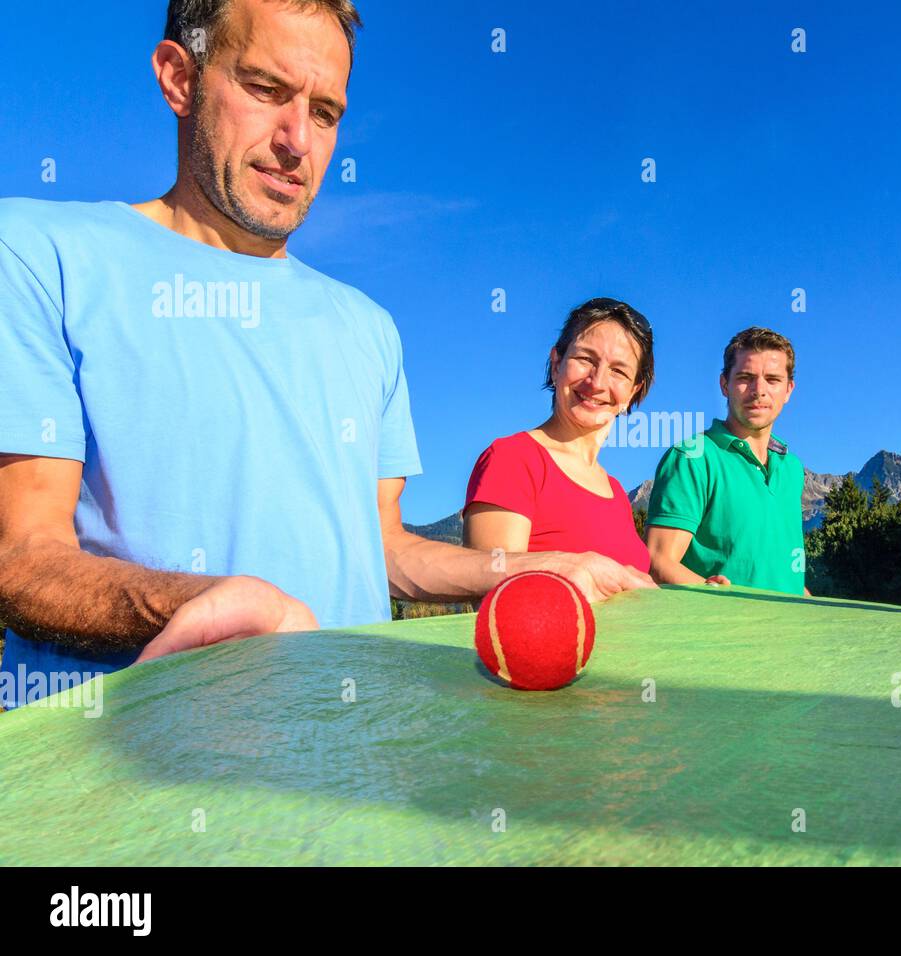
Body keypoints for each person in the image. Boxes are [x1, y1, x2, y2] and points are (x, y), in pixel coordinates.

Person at [0, 0, 648, 709]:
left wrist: (541, 566)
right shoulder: (36, 254)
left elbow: (387, 548)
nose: (297, 140)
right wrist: (211, 601)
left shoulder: (369, 328)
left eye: (326, 112)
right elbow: (22, 556)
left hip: (348, 771)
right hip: (116, 775)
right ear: (178, 77)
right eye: (264, 89)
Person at [463, 299, 654, 574]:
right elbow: (495, 590)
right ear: (556, 365)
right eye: (585, 359)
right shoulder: (513, 459)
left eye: (618, 371)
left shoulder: (616, 493)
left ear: (634, 392)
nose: (597, 382)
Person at [645, 327, 808, 596]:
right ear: (724, 384)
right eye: (746, 377)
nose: (759, 391)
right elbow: (657, 560)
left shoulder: (793, 468)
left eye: (772, 379)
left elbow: (780, 576)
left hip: (790, 634)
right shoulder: (692, 456)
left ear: (789, 389)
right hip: (719, 634)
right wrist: (715, 595)